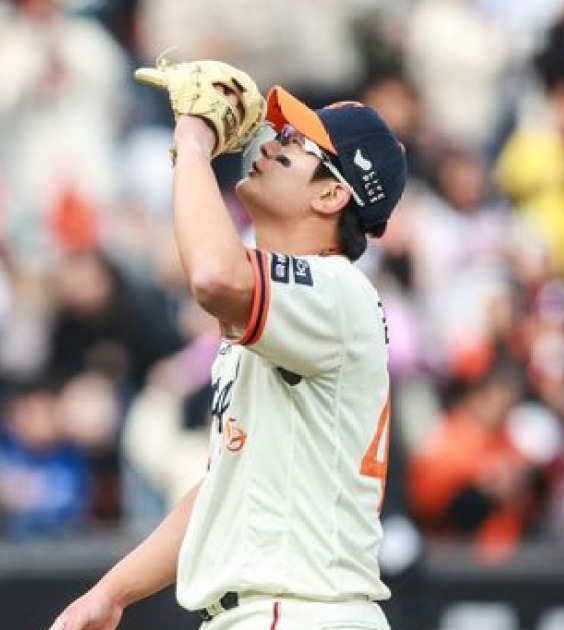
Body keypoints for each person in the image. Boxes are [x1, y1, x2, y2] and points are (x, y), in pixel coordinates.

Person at [50, 64, 408, 630]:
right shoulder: (292, 314)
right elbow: (226, 488)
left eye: (296, 143)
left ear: (334, 192)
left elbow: (214, 276)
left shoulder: (336, 290)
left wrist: (193, 146)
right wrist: (113, 593)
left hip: (301, 613)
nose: (272, 142)